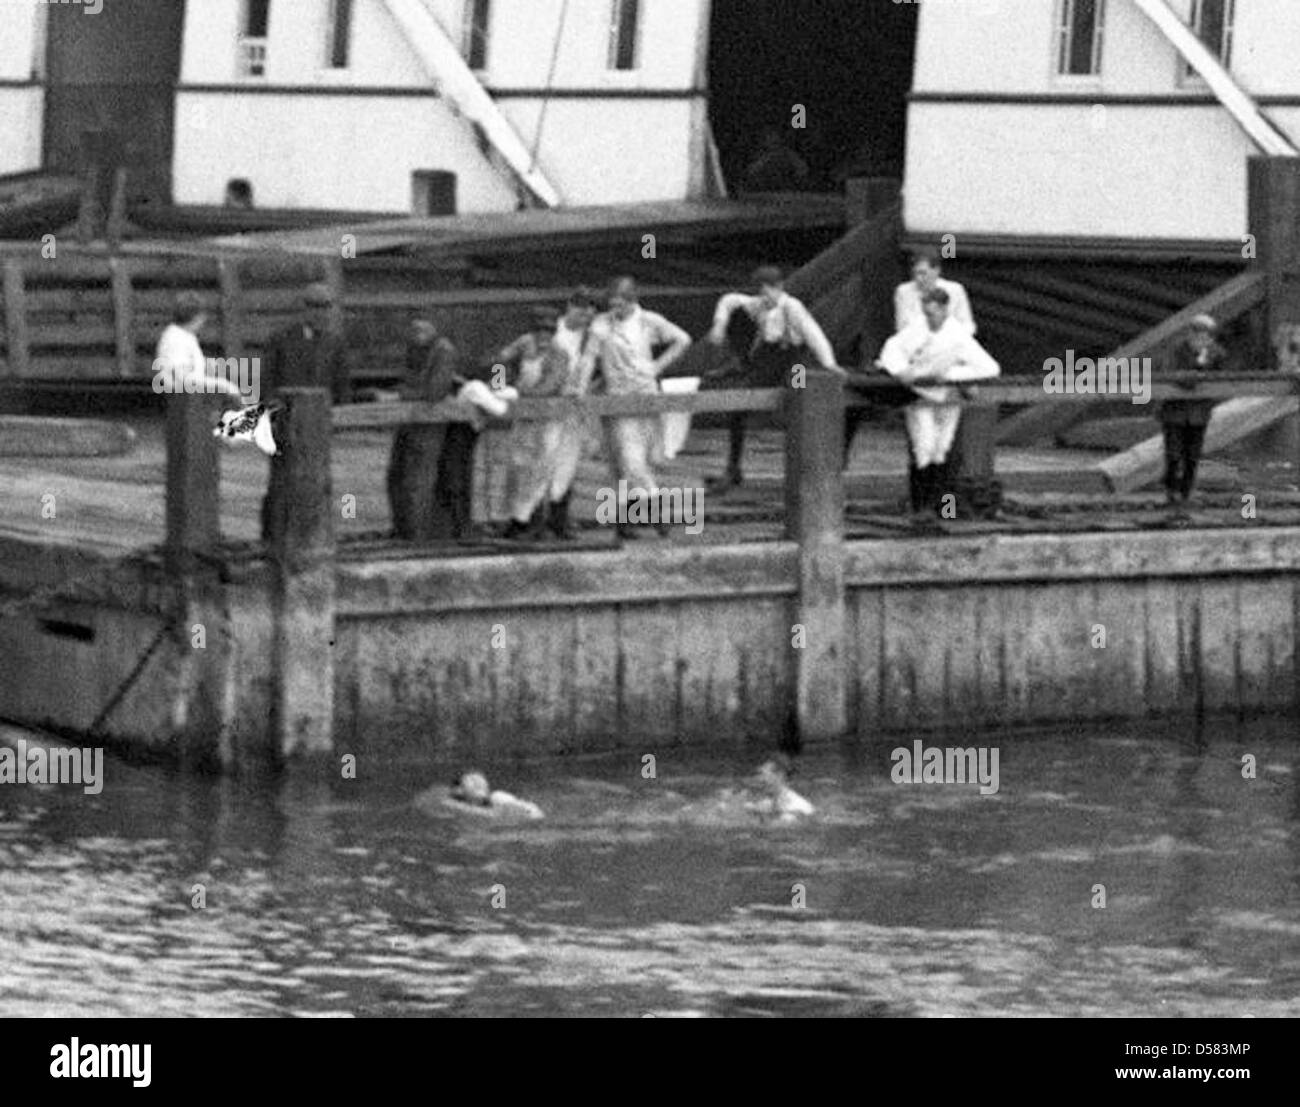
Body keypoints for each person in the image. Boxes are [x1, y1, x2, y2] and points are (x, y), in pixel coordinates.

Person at [703, 265, 844, 493]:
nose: (764, 296)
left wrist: (830, 364)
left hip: (793, 361)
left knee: (800, 402)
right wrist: (719, 325)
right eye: (761, 291)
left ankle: (808, 472)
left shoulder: (792, 307)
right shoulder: (760, 305)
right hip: (766, 361)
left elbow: (813, 334)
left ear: (778, 287)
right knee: (738, 407)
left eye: (767, 291)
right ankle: (733, 468)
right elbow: (729, 300)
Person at [846, 250, 978, 487]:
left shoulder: (954, 291)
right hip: (917, 364)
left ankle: (942, 498)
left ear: (937, 272)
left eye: (925, 273)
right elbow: (903, 328)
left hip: (947, 362)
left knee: (944, 440)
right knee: (922, 438)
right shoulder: (904, 293)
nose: (920, 278)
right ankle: (923, 502)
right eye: (916, 273)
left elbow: (968, 324)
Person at [876, 288, 1000, 519]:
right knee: (923, 446)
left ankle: (938, 507)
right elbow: (892, 349)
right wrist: (901, 371)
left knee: (941, 448)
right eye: (926, 312)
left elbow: (989, 368)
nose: (929, 318)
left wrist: (952, 375)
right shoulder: (917, 328)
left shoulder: (958, 336)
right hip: (920, 394)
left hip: (946, 396)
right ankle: (920, 506)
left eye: (933, 313)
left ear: (944, 310)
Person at [589, 277, 692, 540]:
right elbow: (591, 356)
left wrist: (656, 367)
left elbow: (683, 339)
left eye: (621, 304)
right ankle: (632, 518)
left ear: (632, 300)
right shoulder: (602, 324)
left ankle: (650, 512)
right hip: (617, 398)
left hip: (644, 396)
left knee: (638, 459)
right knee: (622, 460)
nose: (616, 309)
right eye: (612, 303)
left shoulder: (648, 321)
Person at [260, 282, 354, 544]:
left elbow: (341, 383)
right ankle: (274, 535)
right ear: (303, 310)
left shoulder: (334, 342)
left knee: (317, 480)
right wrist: (273, 419)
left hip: (318, 425)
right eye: (315, 308)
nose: (320, 314)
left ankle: (313, 534)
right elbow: (267, 382)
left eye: (325, 308)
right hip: (286, 423)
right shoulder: (280, 339)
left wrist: (339, 418)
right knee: (280, 481)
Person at [498, 308, 574, 540]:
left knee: (541, 469)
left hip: (549, 418)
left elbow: (550, 386)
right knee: (517, 465)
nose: (542, 336)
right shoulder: (524, 345)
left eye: (548, 331)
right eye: (538, 330)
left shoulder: (559, 354)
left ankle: (530, 521)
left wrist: (521, 394)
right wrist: (499, 385)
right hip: (524, 418)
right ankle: (515, 517)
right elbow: (498, 361)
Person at [387, 318, 462, 540]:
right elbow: (409, 380)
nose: (417, 333)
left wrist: (400, 396)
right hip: (409, 420)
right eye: (414, 329)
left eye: (423, 328)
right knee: (397, 476)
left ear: (434, 329)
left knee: (419, 479)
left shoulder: (444, 351)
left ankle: (417, 534)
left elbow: (435, 391)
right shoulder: (414, 350)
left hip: (429, 423)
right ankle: (403, 529)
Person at [1159, 313, 1230, 511]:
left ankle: (1185, 492)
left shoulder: (1216, 353)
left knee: (1192, 456)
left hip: (1199, 412)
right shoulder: (1176, 350)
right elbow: (1171, 375)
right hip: (1175, 411)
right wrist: (1198, 370)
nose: (1201, 338)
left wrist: (1202, 372)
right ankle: (1171, 490)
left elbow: (1222, 380)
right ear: (1190, 333)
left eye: (1206, 334)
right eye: (1197, 333)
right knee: (1173, 454)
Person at [153, 292, 244, 402]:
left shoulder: (184, 335)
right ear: (197, 317)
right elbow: (184, 378)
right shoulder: (176, 339)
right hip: (184, 402)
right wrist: (224, 386)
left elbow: (189, 365)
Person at [742, 126, 811, 193]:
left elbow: (803, 169)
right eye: (769, 136)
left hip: (785, 191)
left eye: (774, 136)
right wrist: (766, 159)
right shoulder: (760, 154)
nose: (773, 138)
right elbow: (751, 171)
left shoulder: (787, 153)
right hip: (762, 191)